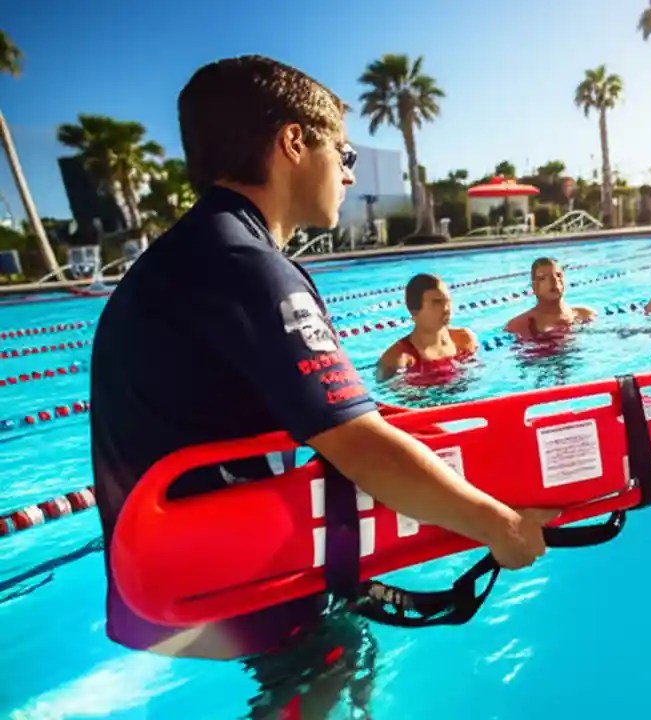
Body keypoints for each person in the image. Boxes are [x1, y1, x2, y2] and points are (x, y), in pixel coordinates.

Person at [89, 54, 556, 681]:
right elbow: (357, 445)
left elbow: (328, 413)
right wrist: (497, 524)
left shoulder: (192, 253)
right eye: (344, 153)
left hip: (173, 572)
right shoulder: (246, 265)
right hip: (233, 578)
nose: (346, 172)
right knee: (333, 680)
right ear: (292, 142)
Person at [376, 273, 478, 382]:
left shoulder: (465, 340)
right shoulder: (397, 359)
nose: (446, 309)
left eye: (447, 301)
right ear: (414, 310)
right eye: (437, 302)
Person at [503, 257, 596, 339]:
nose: (554, 281)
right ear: (534, 286)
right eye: (543, 278)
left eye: (558, 275)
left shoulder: (585, 315)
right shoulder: (519, 325)